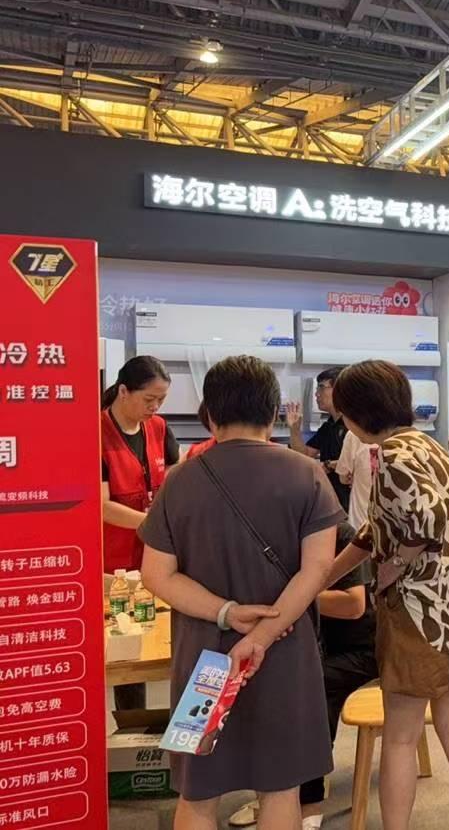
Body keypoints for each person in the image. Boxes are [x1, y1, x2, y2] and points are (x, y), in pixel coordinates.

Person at [139, 355, 344, 830]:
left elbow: (157, 575)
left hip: (202, 658)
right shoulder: (306, 474)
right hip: (283, 653)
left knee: (198, 791)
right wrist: (263, 635)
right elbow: (316, 570)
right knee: (281, 788)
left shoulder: (180, 480)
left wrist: (227, 613)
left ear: (210, 414)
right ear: (272, 412)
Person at [327, 360, 449, 830]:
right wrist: (329, 575)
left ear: (357, 412)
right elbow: (378, 529)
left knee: (400, 737)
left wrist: (392, 569)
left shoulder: (390, 455)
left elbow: (423, 524)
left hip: (422, 613)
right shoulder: (430, 446)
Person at [227, 523, 378, 830]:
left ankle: (309, 799)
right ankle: (274, 789)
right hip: (312, 642)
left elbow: (354, 605)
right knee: (269, 679)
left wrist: (294, 598)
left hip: (363, 648)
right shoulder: (272, 537)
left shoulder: (338, 534)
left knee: (314, 685)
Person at [102, 355, 179, 573]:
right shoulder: (97, 434)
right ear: (123, 391)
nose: (155, 406)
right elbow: (102, 506)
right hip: (113, 557)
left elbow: (174, 470)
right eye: (149, 399)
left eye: (161, 400)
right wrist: (152, 524)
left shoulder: (159, 427)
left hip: (154, 553)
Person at [286, 367, 350, 511]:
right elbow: (305, 454)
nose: (316, 394)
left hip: (351, 502)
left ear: (339, 390)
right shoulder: (328, 426)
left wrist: (327, 465)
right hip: (332, 500)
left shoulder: (354, 425)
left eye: (321, 387)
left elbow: (359, 462)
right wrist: (294, 429)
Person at [335, 421, 379, 532]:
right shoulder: (404, 437)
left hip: (361, 523)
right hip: (392, 525)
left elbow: (343, 477)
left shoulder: (355, 434)